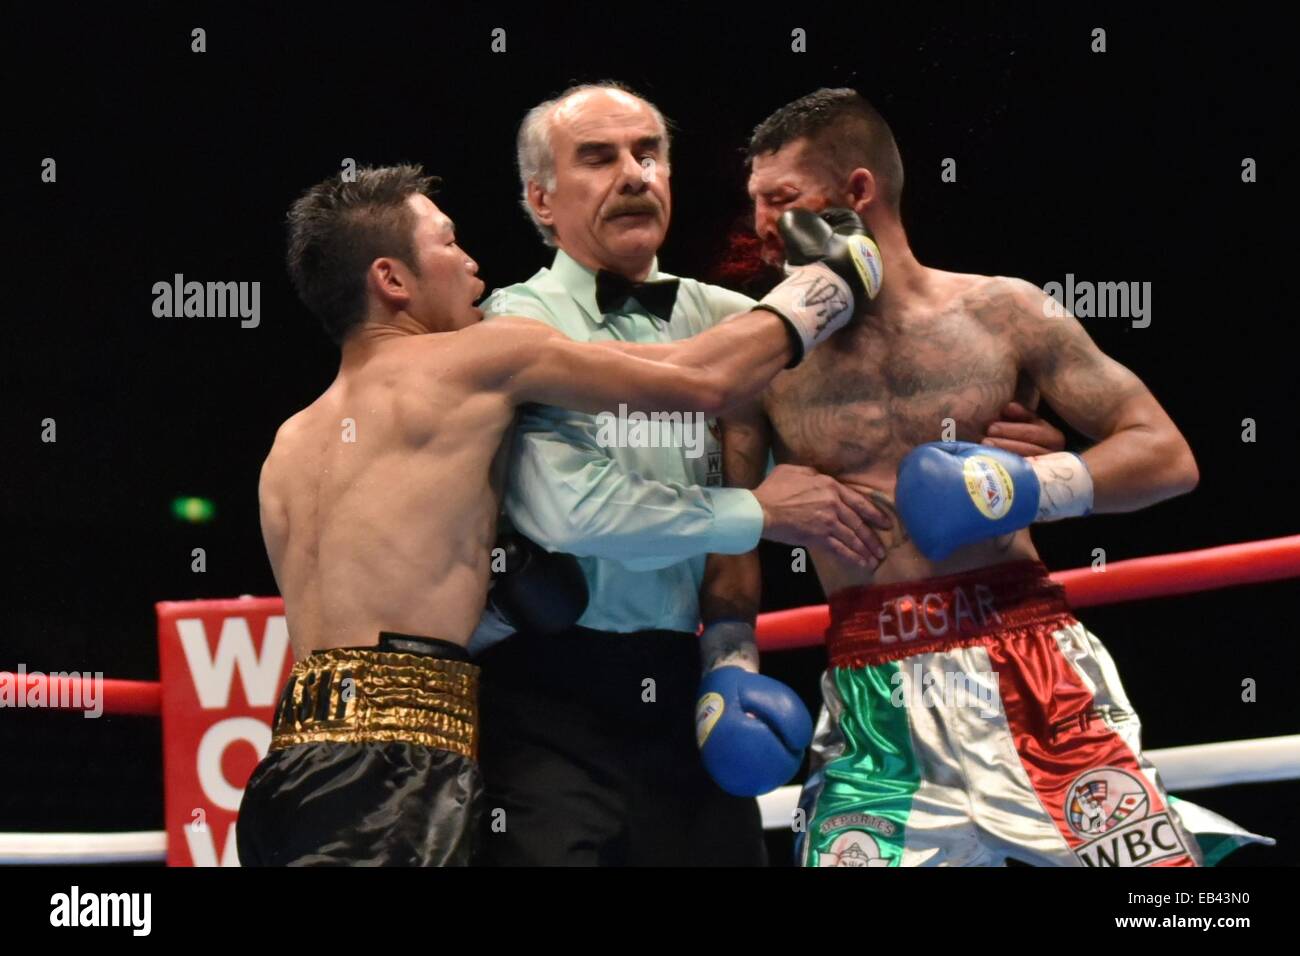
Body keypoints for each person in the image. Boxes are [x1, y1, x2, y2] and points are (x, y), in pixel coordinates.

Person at [473, 82, 1067, 865]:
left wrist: (1008, 448)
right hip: (545, 692)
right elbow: (573, 512)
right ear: (541, 199)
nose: (634, 174)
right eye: (598, 158)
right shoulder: (510, 328)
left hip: (690, 683)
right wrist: (757, 512)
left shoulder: (733, 322)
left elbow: (865, 434)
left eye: (649, 154)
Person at [235, 162, 880, 866]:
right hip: (399, 770)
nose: (473, 262)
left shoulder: (289, 442)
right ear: (392, 280)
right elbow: (702, 377)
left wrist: (503, 607)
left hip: (291, 761)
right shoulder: (476, 358)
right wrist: (835, 282)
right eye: (449, 244)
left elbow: (379, 594)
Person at [708, 88, 1270, 867]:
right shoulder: (761, 356)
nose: (763, 224)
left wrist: (1024, 486)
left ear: (859, 192)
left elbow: (1165, 455)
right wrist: (727, 670)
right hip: (874, 692)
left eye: (784, 198)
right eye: (756, 202)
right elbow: (730, 545)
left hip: (1032, 659)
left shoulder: (1003, 312)